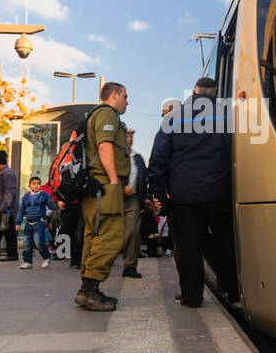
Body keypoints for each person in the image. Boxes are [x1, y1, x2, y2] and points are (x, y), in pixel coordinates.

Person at [148, 76, 239, 308]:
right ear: (214, 92)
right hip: (219, 193)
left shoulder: (173, 118)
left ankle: (192, 297)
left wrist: (159, 194)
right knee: (224, 243)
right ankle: (232, 290)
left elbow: (158, 160)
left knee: (187, 248)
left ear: (194, 91)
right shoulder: (227, 116)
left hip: (183, 197)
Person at [75, 82, 130, 311]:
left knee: (94, 236)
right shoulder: (107, 113)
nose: (127, 101)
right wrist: (115, 180)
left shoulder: (92, 115)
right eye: (125, 96)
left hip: (93, 189)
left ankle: (88, 289)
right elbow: (105, 146)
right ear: (114, 95)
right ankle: (89, 290)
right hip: (105, 186)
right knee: (110, 236)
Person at [119, 127, 148, 279]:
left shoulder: (138, 158)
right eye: (126, 136)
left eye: (131, 137)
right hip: (115, 198)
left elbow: (144, 180)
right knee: (112, 233)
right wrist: (123, 187)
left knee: (133, 232)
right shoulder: (116, 156)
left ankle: (130, 266)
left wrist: (145, 199)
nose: (129, 140)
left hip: (133, 201)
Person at [17, 176, 56, 269]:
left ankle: (46, 257)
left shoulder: (44, 195)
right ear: (29, 186)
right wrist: (18, 223)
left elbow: (51, 206)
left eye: (38, 183)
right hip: (28, 223)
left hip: (39, 222)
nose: (36, 185)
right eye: (34, 183)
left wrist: (52, 210)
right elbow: (21, 211)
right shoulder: (25, 197)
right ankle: (27, 262)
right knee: (27, 243)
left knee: (39, 242)